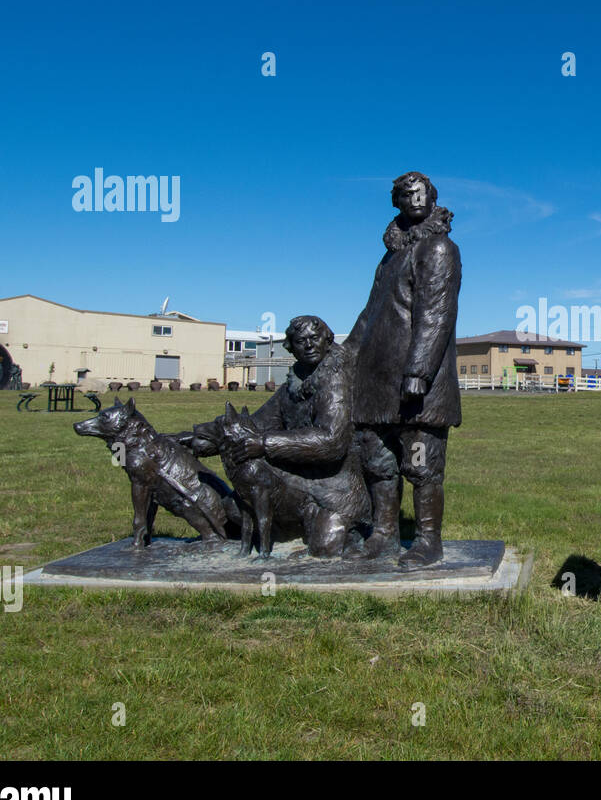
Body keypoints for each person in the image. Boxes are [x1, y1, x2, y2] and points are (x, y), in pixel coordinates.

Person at [344, 171, 461, 568]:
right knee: (378, 462)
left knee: (421, 464)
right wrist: (345, 356)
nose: (414, 199)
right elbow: (370, 314)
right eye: (406, 194)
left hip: (416, 385)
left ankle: (429, 540)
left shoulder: (440, 249)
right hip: (377, 382)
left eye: (421, 193)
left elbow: (435, 315)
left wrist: (419, 371)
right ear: (397, 202)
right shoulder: (391, 256)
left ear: (431, 197)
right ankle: (384, 532)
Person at [181, 315, 369, 557]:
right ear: (292, 347)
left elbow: (330, 441)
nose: (309, 345)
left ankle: (349, 533)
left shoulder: (336, 379)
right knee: (233, 509)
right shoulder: (295, 382)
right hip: (297, 483)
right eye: (301, 341)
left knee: (324, 548)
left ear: (328, 341)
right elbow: (255, 424)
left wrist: (265, 444)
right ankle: (286, 529)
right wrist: (202, 436)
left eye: (315, 338)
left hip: (335, 490)